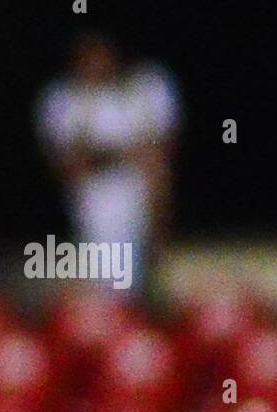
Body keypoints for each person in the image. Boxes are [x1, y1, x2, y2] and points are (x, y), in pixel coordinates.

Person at [36, 32, 180, 293]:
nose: (97, 63)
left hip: (137, 196)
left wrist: (160, 216)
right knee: (106, 280)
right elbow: (71, 163)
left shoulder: (145, 87)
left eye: (102, 55)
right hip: (93, 201)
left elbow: (156, 156)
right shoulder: (62, 99)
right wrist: (118, 154)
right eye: (88, 57)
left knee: (138, 279)